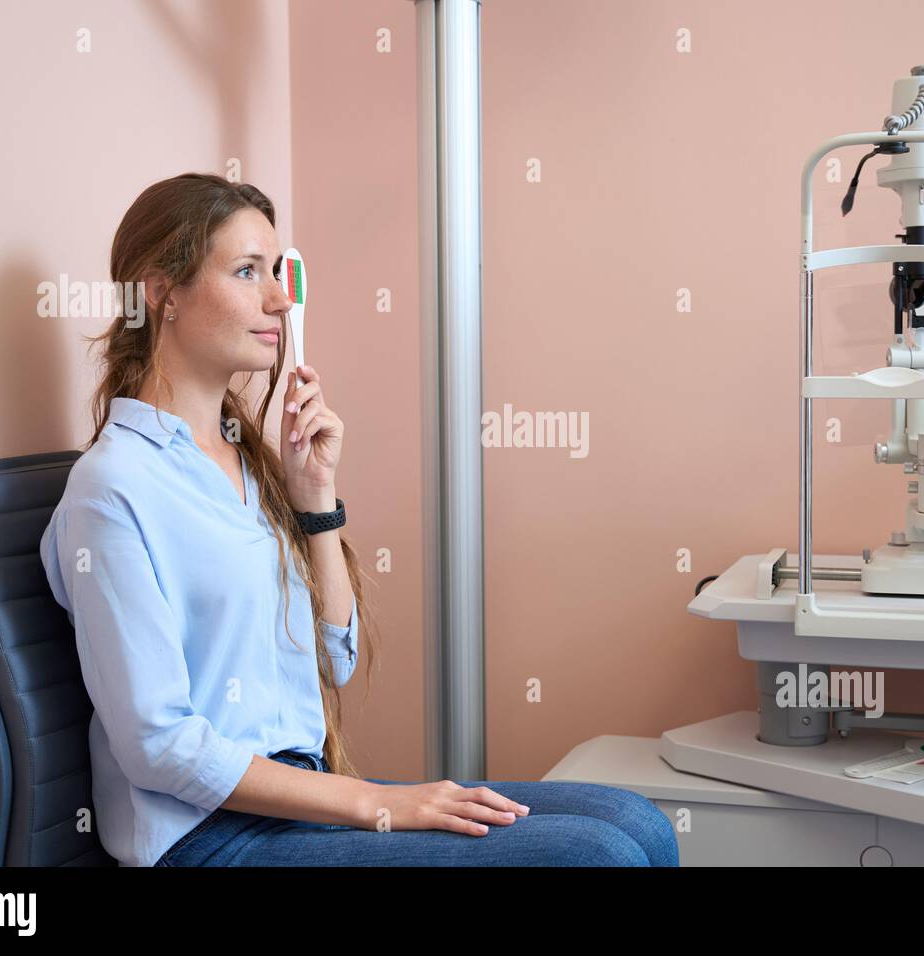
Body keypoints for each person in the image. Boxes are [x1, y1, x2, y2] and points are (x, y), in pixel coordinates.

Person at [39, 172, 679, 867]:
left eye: (276, 271)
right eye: (248, 271)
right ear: (162, 292)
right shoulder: (113, 490)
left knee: (636, 821)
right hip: (206, 838)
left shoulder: (246, 462)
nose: (280, 299)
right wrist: (378, 803)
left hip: (296, 801)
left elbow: (331, 659)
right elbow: (159, 747)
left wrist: (315, 498)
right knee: (595, 856)